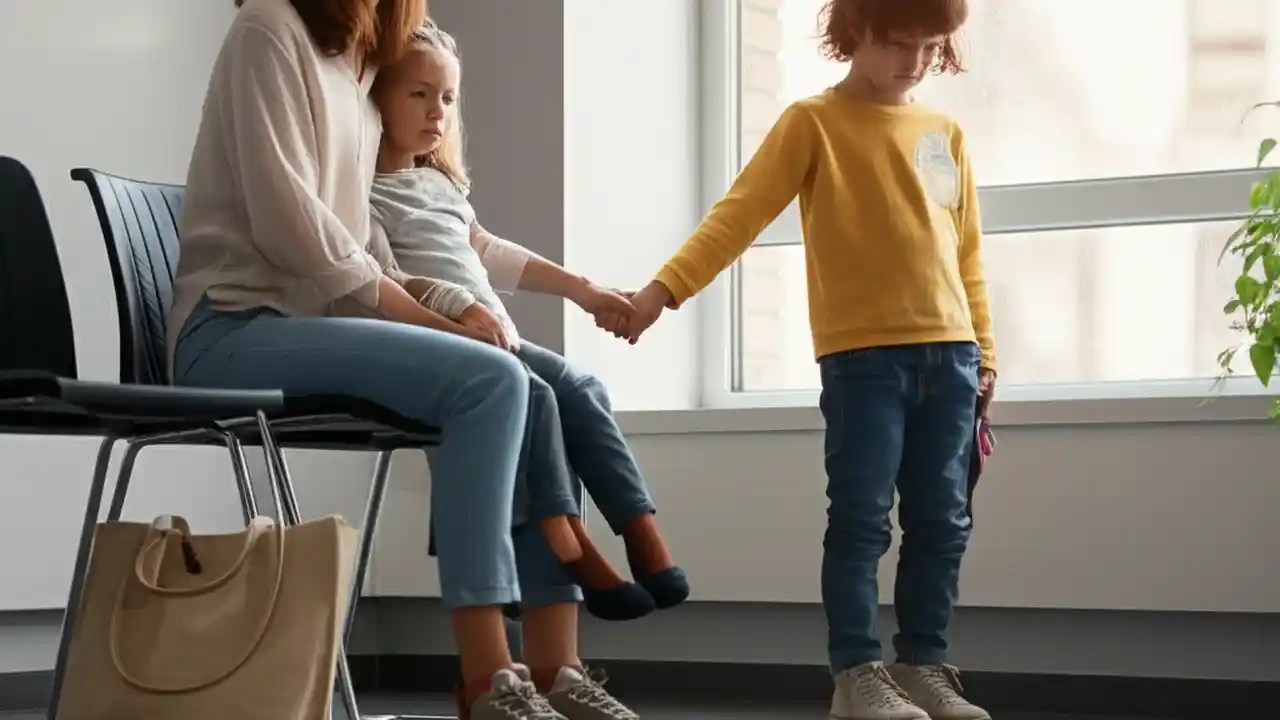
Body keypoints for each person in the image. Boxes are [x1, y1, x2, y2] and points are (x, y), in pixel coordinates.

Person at [168, 1, 634, 718]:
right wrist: (432, 320)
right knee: (489, 380)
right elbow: (291, 225)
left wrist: (451, 309)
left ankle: (553, 667)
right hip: (230, 331)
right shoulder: (269, 27)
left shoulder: (356, 71)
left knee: (527, 376)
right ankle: (488, 679)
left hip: (309, 325)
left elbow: (363, 250)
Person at [613, 1, 996, 718]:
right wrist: (658, 295)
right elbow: (739, 215)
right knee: (861, 520)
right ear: (854, 33)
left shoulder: (945, 133)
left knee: (943, 524)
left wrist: (988, 359)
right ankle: (857, 676)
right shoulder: (812, 122)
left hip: (953, 361)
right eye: (894, 43)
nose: (912, 60)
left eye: (928, 46)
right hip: (864, 363)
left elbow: (966, 253)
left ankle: (923, 669)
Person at [368, 23, 689, 629]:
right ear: (374, 98)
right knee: (537, 398)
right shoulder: (363, 192)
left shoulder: (438, 183)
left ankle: (641, 530)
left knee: (583, 389)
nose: (436, 111)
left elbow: (486, 249)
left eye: (447, 98)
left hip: (498, 336)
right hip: (444, 347)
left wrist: (584, 289)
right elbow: (386, 280)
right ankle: (568, 543)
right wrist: (459, 312)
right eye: (418, 94)